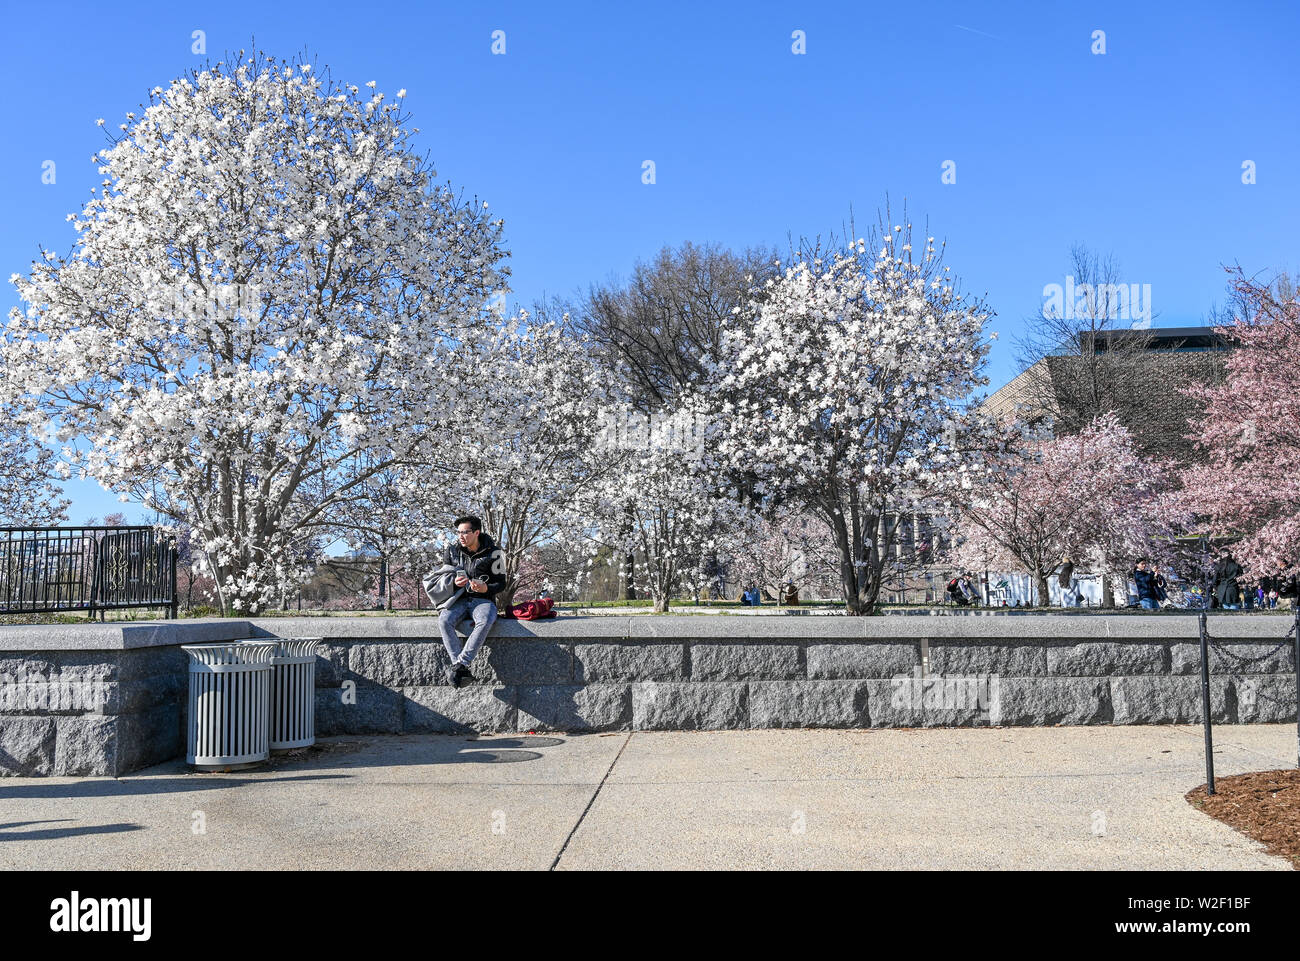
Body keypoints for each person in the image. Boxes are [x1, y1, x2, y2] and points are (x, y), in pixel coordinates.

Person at [438, 515, 507, 688]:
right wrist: (454, 583)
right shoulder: (451, 551)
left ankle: (461, 664)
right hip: (458, 599)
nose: (461, 536)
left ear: (476, 532)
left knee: (485, 619)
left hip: (482, 600)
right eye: (459, 532)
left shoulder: (495, 553)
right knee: (444, 620)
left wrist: (486, 588)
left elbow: (501, 583)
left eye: (465, 532)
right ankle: (460, 667)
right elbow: (443, 577)